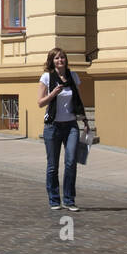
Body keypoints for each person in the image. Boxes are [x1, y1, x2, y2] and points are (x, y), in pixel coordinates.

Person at [38, 47, 88, 211]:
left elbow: (79, 100)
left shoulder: (73, 76)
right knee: (52, 165)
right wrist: (53, 93)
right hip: (52, 126)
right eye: (57, 58)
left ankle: (69, 200)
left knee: (71, 162)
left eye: (63, 58)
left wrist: (85, 120)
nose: (60, 61)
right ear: (52, 61)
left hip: (71, 125)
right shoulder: (46, 77)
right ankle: (54, 200)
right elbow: (40, 103)